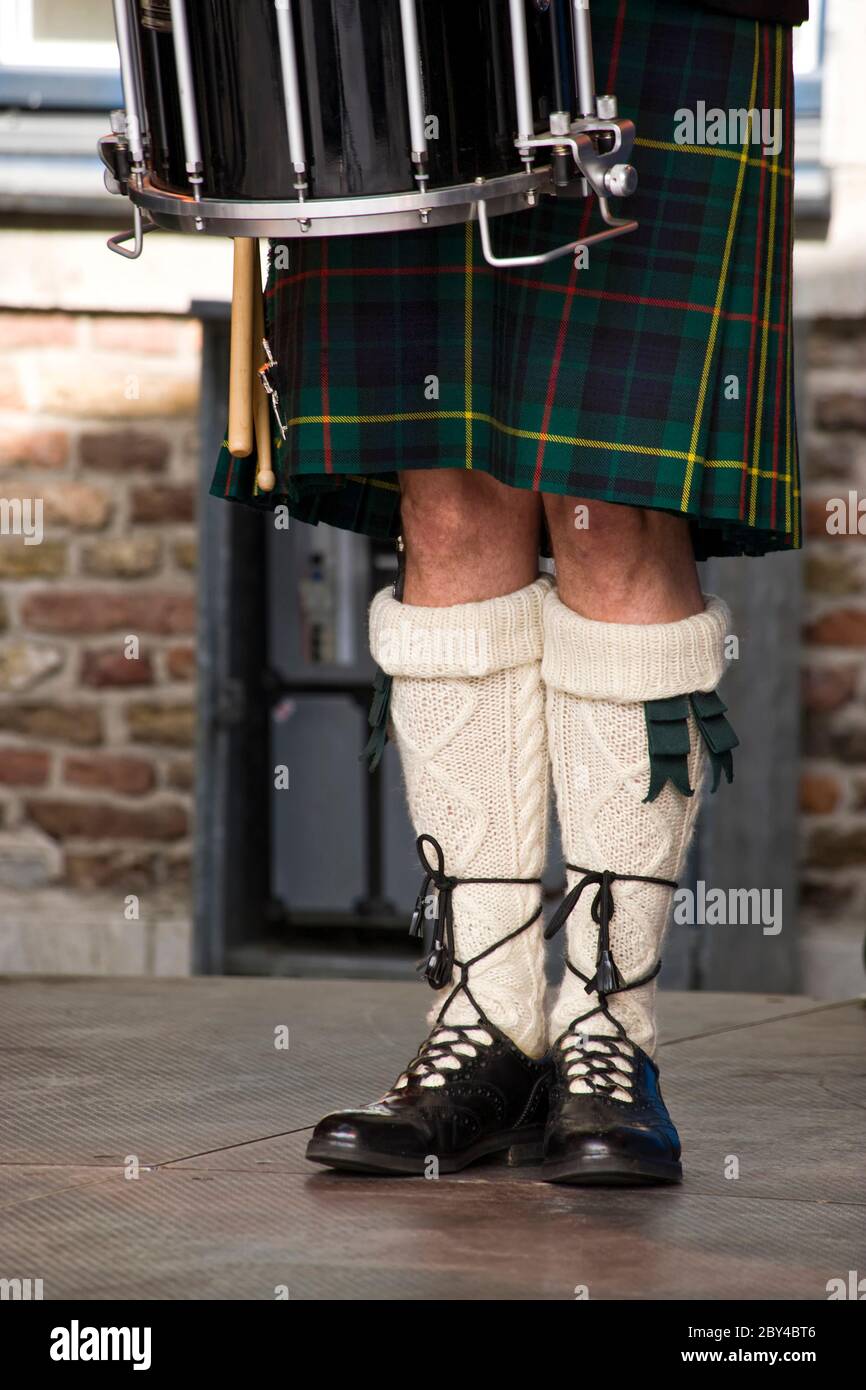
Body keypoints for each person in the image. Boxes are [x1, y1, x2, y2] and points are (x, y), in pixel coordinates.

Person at [212, 0, 807, 1184]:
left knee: (615, 508)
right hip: (398, 42)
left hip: (648, 33)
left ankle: (606, 1031)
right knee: (445, 501)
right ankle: (483, 1023)